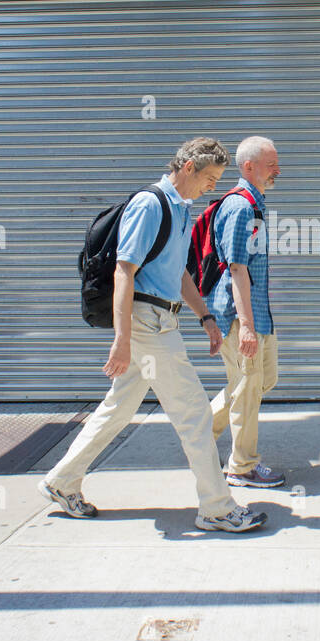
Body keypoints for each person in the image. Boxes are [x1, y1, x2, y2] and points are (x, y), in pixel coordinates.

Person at [39, 137, 267, 533]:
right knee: (194, 414)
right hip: (148, 323)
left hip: (163, 320)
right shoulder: (151, 205)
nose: (212, 186)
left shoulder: (182, 209)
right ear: (189, 167)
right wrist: (122, 339)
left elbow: (178, 273)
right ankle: (216, 507)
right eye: (210, 177)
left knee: (118, 409)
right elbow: (123, 272)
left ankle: (61, 481)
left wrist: (206, 318)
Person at [208, 136, 285, 488]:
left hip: (257, 314)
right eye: (271, 164)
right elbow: (236, 269)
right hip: (242, 317)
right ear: (249, 166)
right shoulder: (241, 208)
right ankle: (242, 467)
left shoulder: (256, 205)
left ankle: (198, 432)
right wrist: (247, 328)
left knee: (259, 382)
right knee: (248, 387)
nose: (277, 170)